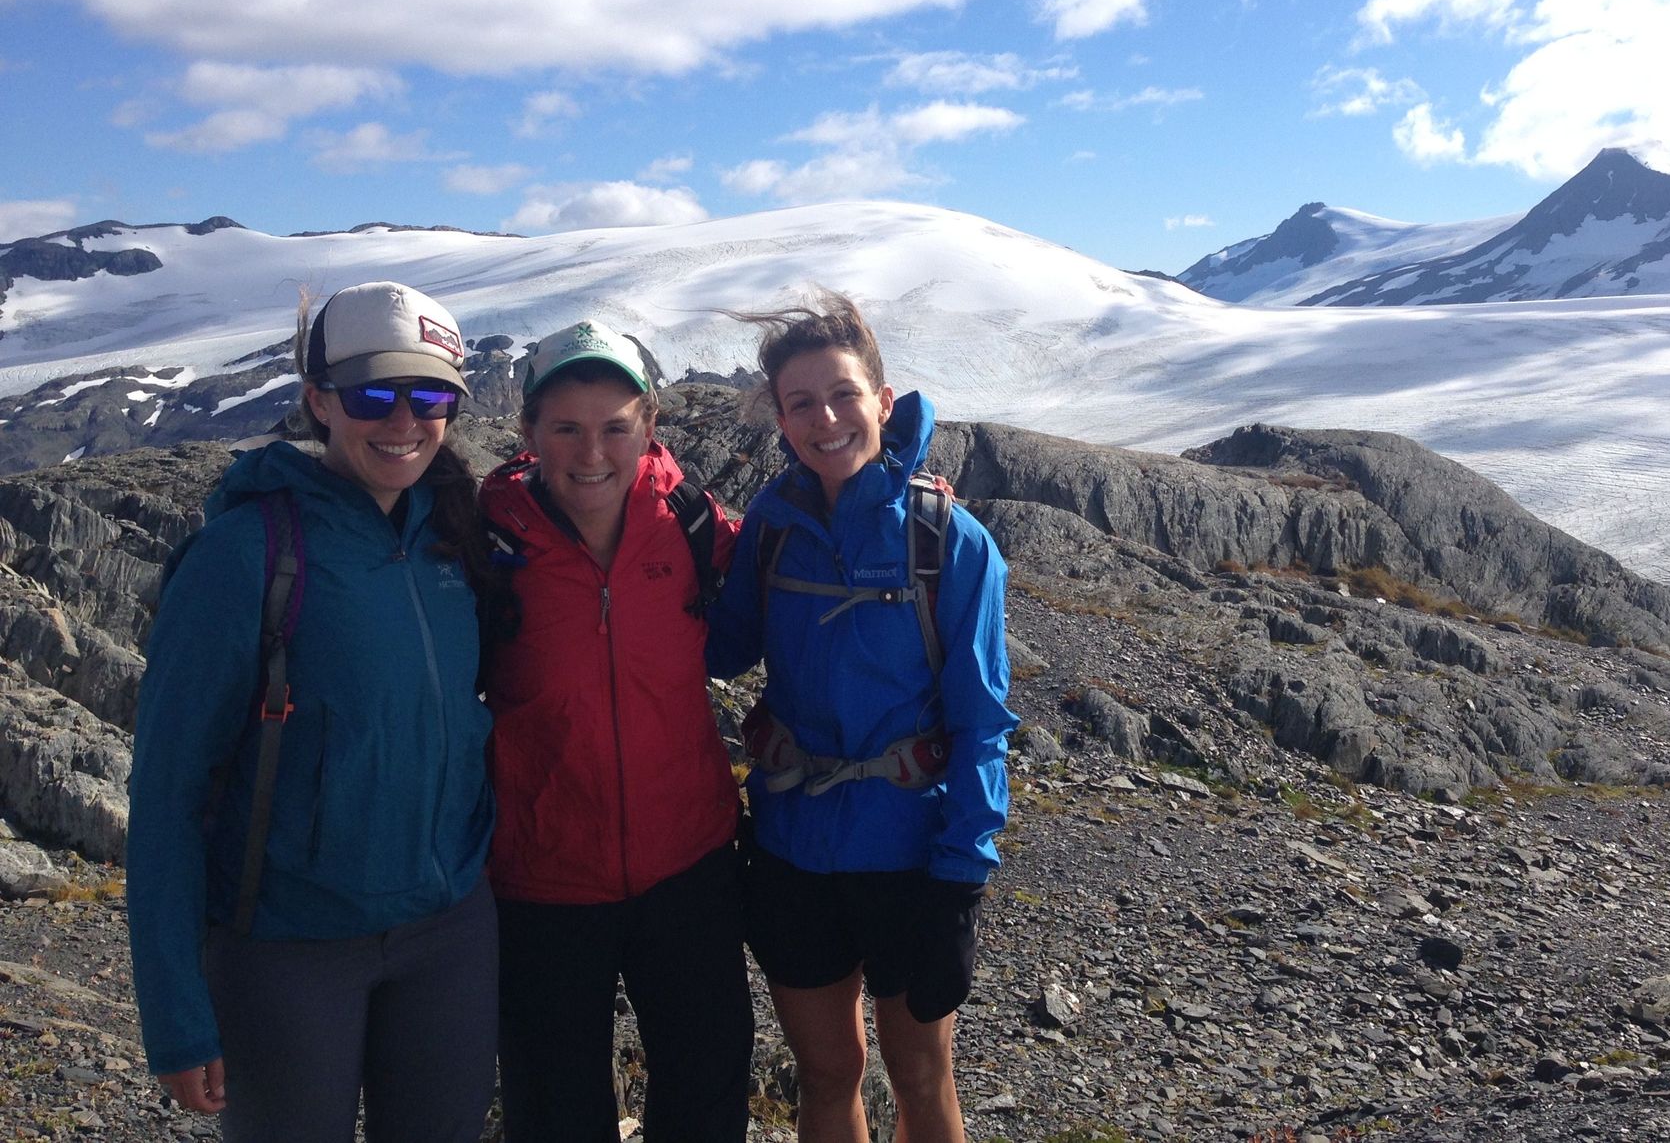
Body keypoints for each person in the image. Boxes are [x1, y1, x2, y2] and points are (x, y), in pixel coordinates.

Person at [127, 281, 498, 1143]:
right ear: (318, 400)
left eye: (430, 394)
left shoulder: (459, 537)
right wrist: (175, 1012)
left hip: (447, 934)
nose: (403, 421)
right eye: (372, 395)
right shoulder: (243, 555)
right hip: (286, 949)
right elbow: (169, 795)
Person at [707, 292, 1017, 1143]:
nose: (826, 418)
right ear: (780, 418)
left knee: (920, 1074)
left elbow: (984, 721)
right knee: (827, 1072)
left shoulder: (949, 540)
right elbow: (724, 647)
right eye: (801, 403)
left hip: (911, 858)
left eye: (844, 395)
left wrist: (962, 878)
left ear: (885, 400)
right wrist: (675, 538)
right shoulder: (772, 523)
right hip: (789, 849)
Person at [478, 320, 752, 1141]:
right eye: (565, 427)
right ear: (529, 432)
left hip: (689, 868)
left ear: (650, 425)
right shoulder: (482, 542)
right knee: (556, 1112)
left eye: (614, 427)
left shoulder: (694, 526)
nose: (589, 451)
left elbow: (809, 560)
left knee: (705, 1100)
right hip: (542, 879)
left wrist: (901, 491)